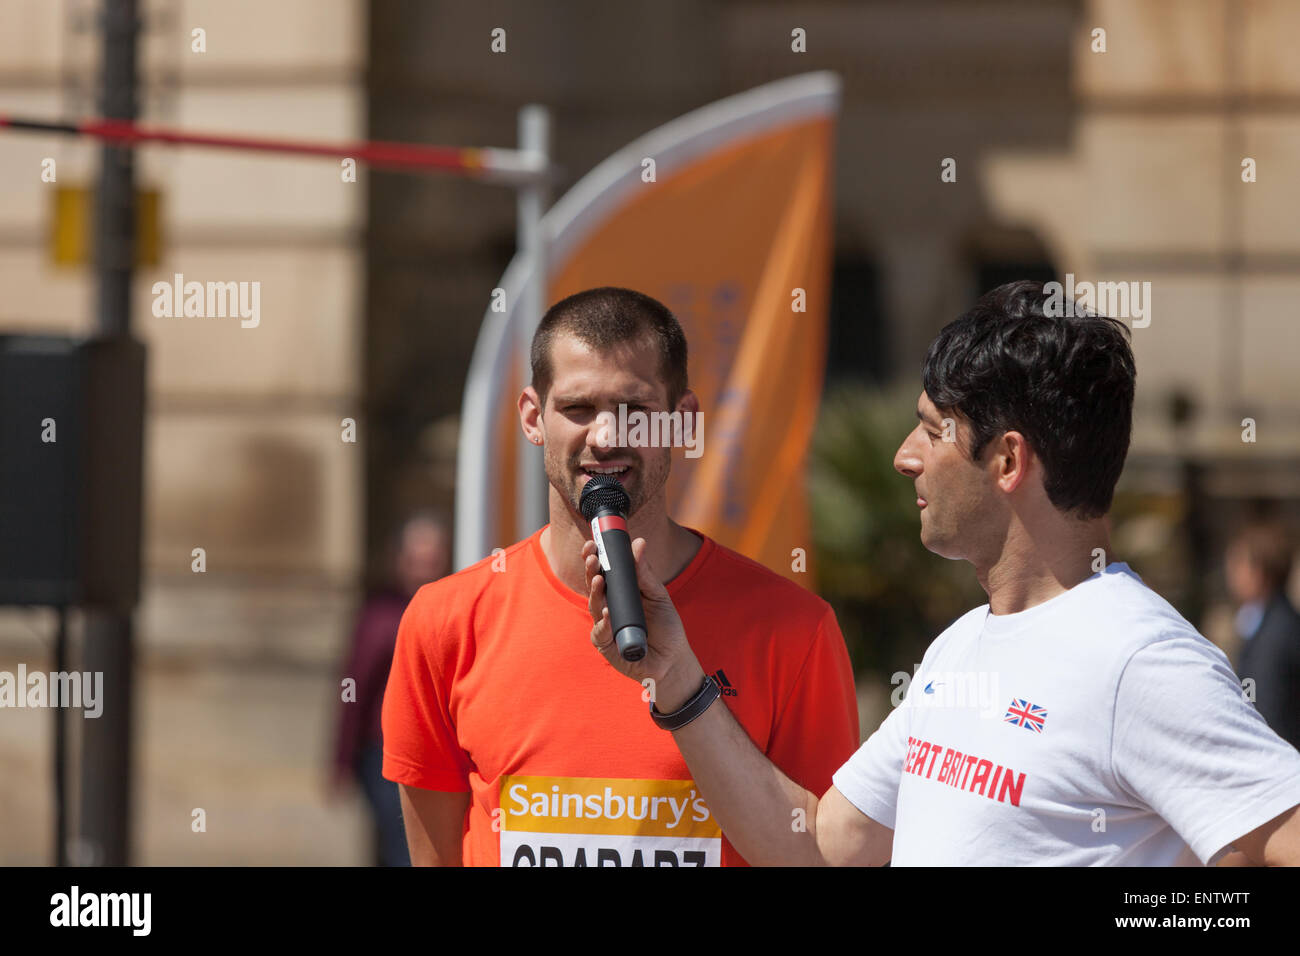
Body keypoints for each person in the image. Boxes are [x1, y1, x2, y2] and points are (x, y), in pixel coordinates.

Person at [583, 280, 1300, 866]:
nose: (905, 457)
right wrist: (676, 678)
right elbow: (821, 844)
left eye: (932, 431)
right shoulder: (964, 644)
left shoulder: (1137, 658)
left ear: (1009, 461)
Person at [381, 286, 859, 866]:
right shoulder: (445, 622)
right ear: (534, 418)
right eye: (578, 409)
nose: (606, 438)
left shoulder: (792, 629)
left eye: (635, 412)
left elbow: (823, 855)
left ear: (682, 422)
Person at [333, 511, 450, 866]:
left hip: (442, 752)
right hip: (385, 753)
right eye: (417, 561)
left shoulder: (452, 608)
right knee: (401, 849)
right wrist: (341, 759)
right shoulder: (380, 615)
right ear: (400, 561)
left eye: (432, 561)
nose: (424, 570)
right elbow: (354, 690)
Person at [1227, 521, 1300, 750]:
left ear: (1259, 572)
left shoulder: (1275, 634)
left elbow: (1261, 703)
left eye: (1238, 564)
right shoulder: (1266, 621)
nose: (1230, 574)